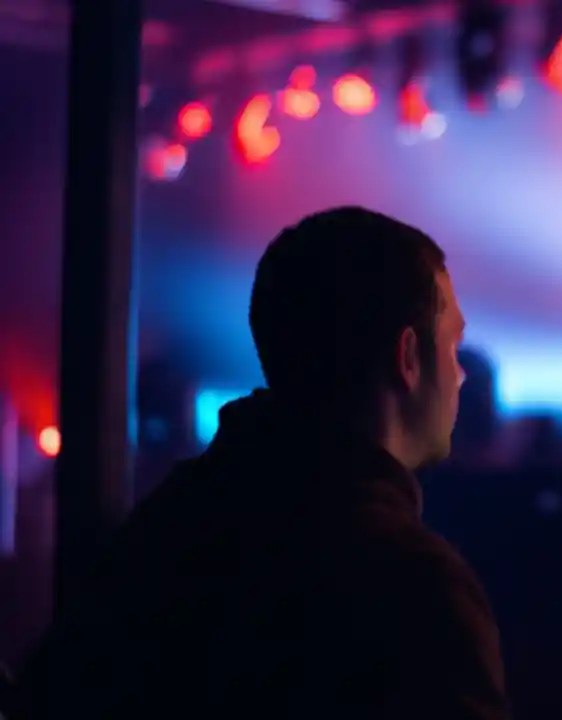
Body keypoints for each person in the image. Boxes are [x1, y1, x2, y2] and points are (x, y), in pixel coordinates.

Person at [14, 208, 507, 719]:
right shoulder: (414, 589)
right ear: (407, 358)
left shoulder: (160, 532)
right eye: (452, 345)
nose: (460, 376)